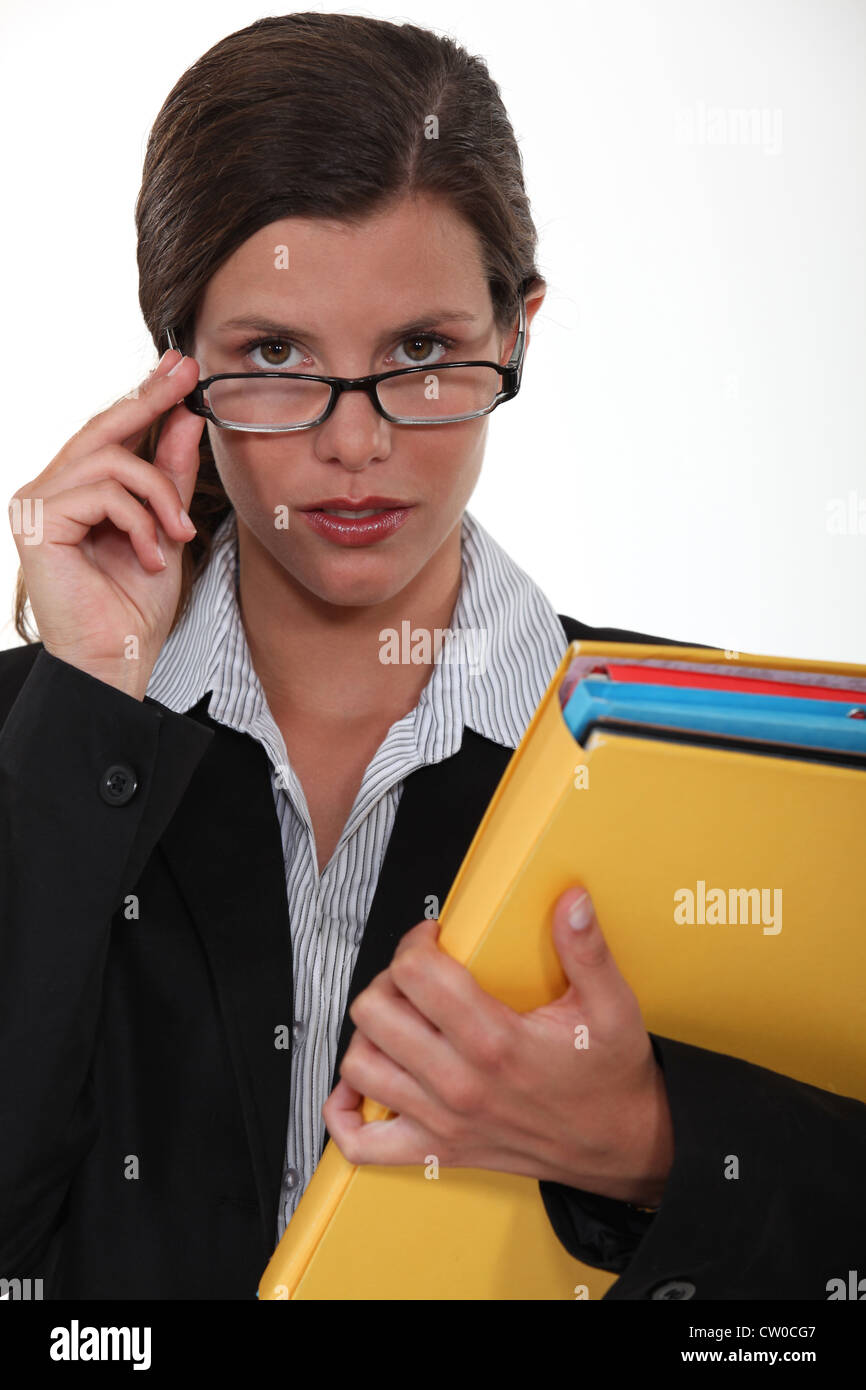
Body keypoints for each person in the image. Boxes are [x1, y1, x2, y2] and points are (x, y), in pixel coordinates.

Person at [2, 12, 863, 1302]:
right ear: (175, 366)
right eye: (277, 356)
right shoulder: (41, 742)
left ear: (516, 331)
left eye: (420, 353)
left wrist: (646, 1148)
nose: (357, 444)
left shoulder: (725, 751)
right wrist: (79, 716)